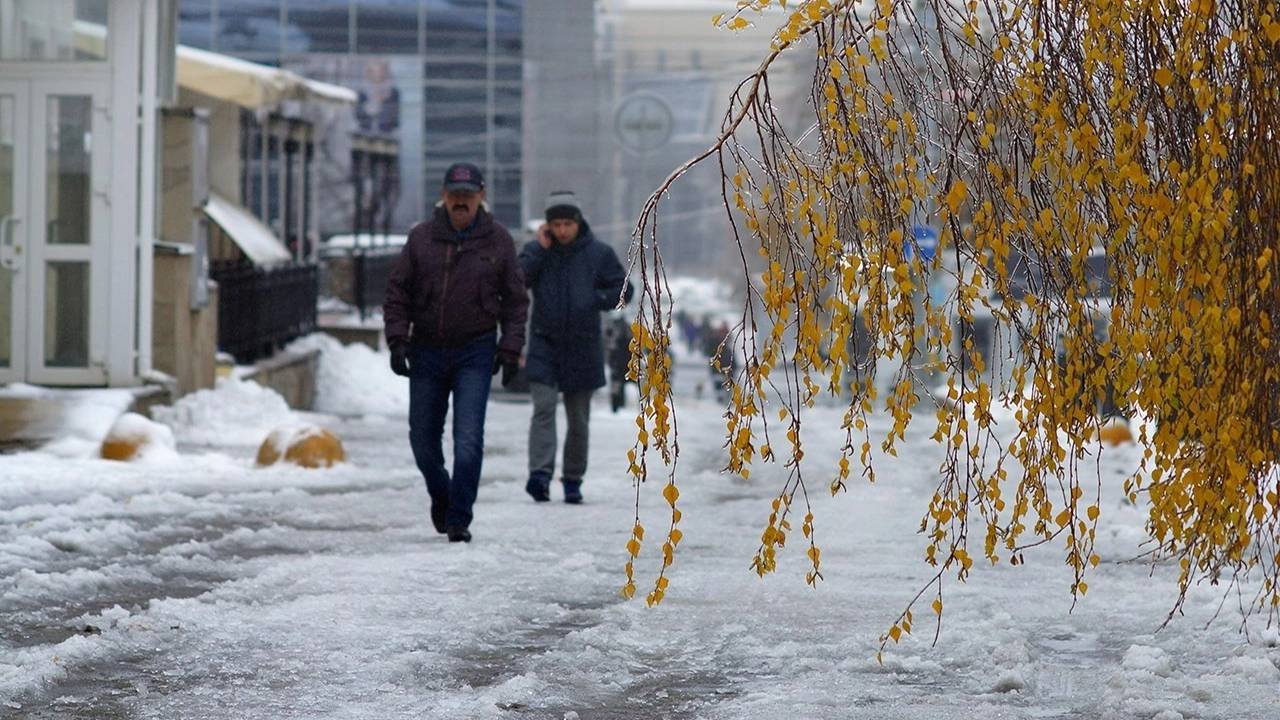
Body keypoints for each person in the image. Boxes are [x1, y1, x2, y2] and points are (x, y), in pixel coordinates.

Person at [384, 162, 528, 543]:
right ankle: (441, 494)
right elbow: (397, 292)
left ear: (481, 196)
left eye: (468, 195)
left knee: (468, 439)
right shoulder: (421, 238)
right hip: (427, 349)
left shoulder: (498, 240)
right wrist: (397, 340)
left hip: (475, 351)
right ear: (444, 197)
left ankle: (459, 518)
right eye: (454, 195)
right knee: (422, 439)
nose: (460, 202)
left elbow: (516, 301)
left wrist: (510, 349)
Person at [520, 191, 630, 504]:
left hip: (583, 346)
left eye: (568, 223)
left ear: (578, 222)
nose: (563, 230)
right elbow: (517, 280)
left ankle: (572, 478)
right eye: (556, 224)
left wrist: (594, 299)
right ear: (547, 226)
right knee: (543, 409)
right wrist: (538, 250)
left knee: (578, 418)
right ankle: (539, 475)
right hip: (544, 342)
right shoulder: (539, 251)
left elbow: (623, 289)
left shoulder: (598, 254)